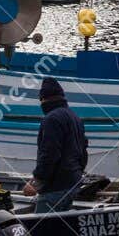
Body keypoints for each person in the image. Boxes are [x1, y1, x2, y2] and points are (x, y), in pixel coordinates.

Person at [23, 78, 88, 212]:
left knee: (42, 224)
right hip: (73, 184)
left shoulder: (51, 119)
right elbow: (83, 152)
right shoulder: (75, 118)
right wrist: (77, 173)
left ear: (43, 99)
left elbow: (49, 154)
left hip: (55, 188)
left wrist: (37, 182)